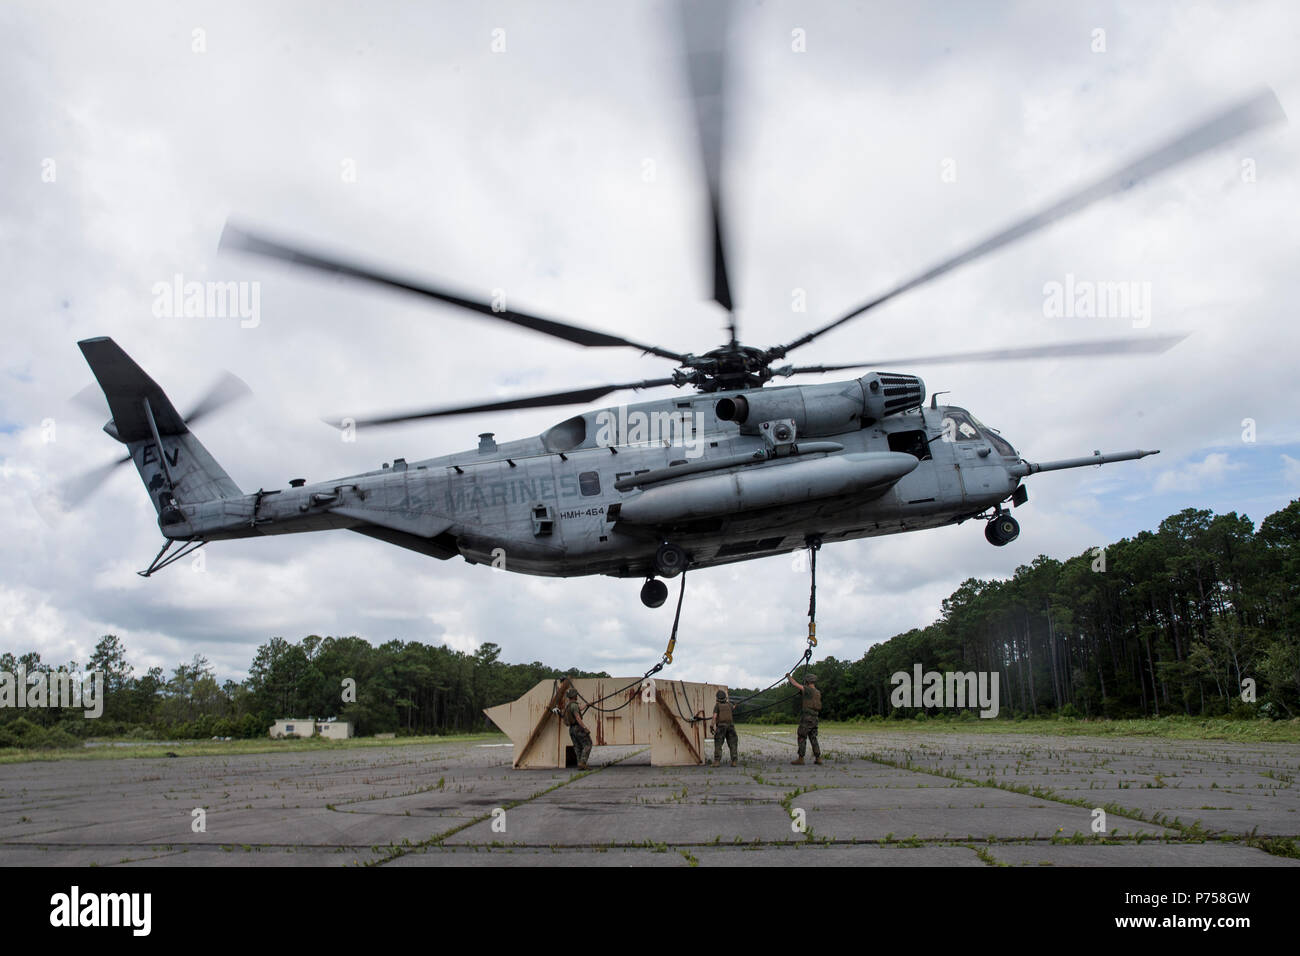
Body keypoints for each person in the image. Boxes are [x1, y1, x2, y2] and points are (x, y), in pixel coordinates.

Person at [785, 671, 822, 765]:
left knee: (802, 736)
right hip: (815, 718)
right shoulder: (817, 692)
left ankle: (801, 758)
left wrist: (789, 677)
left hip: (807, 718)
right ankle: (818, 758)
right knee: (813, 737)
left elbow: (795, 684)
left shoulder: (808, 690)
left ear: (807, 681)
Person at [562, 686, 593, 770]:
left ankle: (579, 764)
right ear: (574, 696)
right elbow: (577, 717)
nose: (577, 696)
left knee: (577, 746)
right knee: (588, 744)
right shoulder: (574, 706)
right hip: (577, 727)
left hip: (571, 729)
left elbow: (579, 709)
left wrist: (587, 705)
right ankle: (583, 762)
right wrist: (584, 728)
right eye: (576, 695)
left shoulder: (568, 705)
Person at [711, 689, 738, 767]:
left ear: (717, 698)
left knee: (718, 744)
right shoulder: (729, 704)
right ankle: (734, 762)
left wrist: (711, 726)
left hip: (721, 727)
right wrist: (736, 704)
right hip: (731, 726)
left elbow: (714, 716)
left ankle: (717, 762)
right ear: (725, 698)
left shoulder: (717, 706)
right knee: (733, 743)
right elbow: (733, 707)